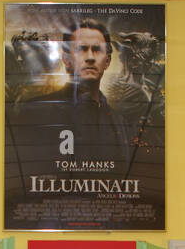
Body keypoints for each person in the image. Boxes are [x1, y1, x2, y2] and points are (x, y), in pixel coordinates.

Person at [7, 19, 132, 167]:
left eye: (97, 49)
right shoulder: (35, 110)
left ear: (107, 61)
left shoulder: (120, 122)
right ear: (66, 59)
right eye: (82, 49)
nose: (90, 57)